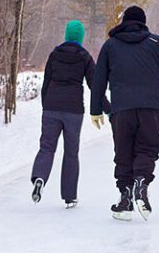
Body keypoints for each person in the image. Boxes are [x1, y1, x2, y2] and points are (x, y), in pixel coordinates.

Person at [90, 5, 159, 221]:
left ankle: (125, 199)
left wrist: (96, 110)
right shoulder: (157, 43)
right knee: (147, 148)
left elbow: (98, 80)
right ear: (143, 22)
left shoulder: (110, 45)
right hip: (150, 109)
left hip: (121, 110)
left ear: (124, 22)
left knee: (123, 153)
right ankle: (141, 181)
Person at [30, 20, 110, 208]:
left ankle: (40, 178)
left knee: (47, 147)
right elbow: (95, 86)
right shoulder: (85, 57)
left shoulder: (54, 54)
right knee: (71, 152)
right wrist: (108, 109)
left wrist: (46, 106)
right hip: (73, 111)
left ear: (66, 35)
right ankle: (69, 196)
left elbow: (46, 82)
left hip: (51, 107)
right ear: (80, 37)